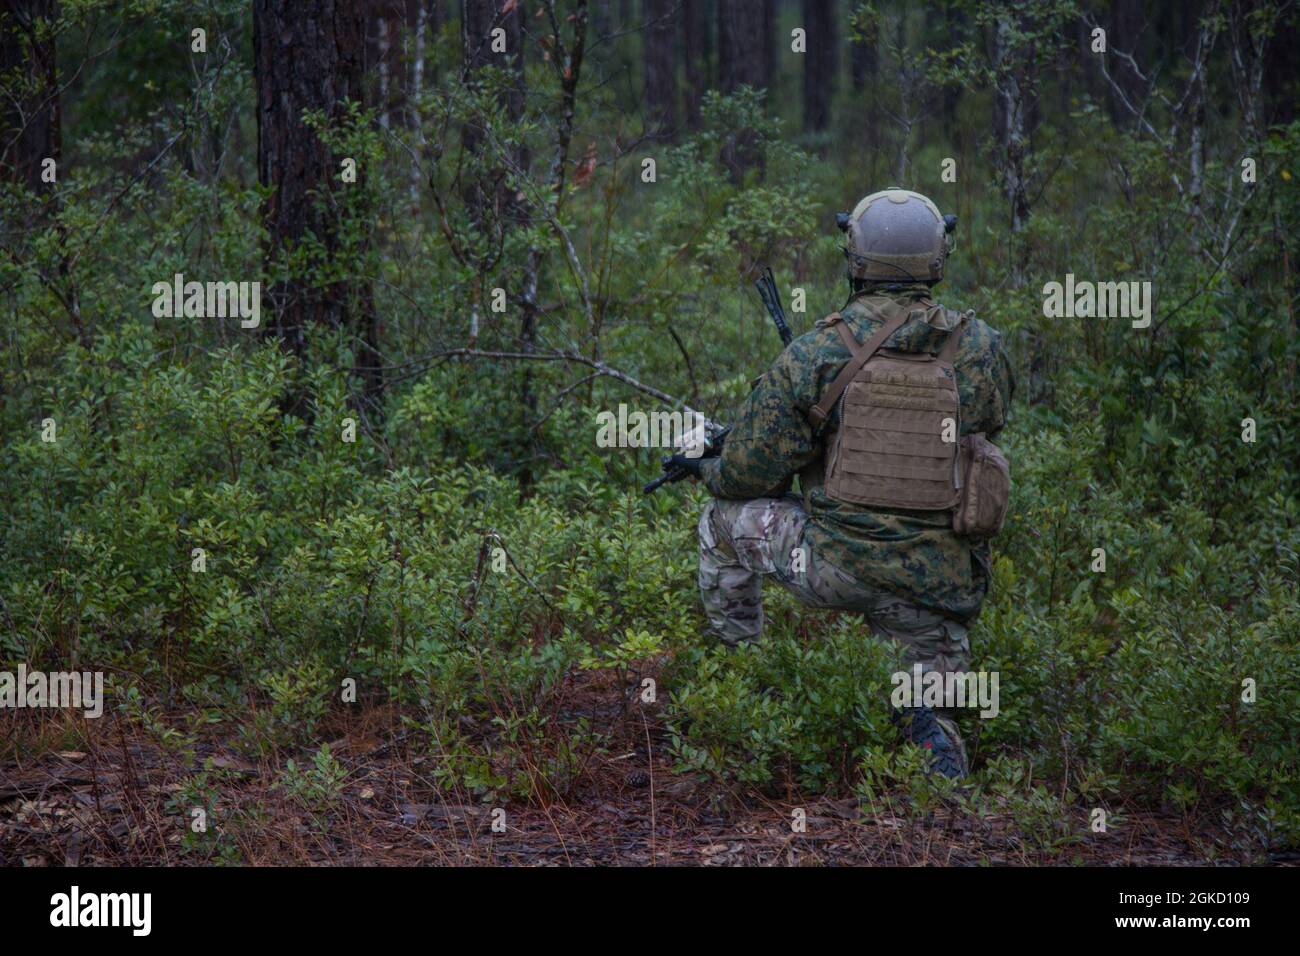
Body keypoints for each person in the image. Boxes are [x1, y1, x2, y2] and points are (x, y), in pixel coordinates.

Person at [661, 188, 1014, 779]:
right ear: (937, 260)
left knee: (720, 522)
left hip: (835, 565)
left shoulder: (817, 352)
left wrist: (707, 468)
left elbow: (748, 474)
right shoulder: (983, 350)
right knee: (925, 694)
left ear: (855, 261)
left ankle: (741, 673)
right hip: (936, 579)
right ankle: (930, 727)